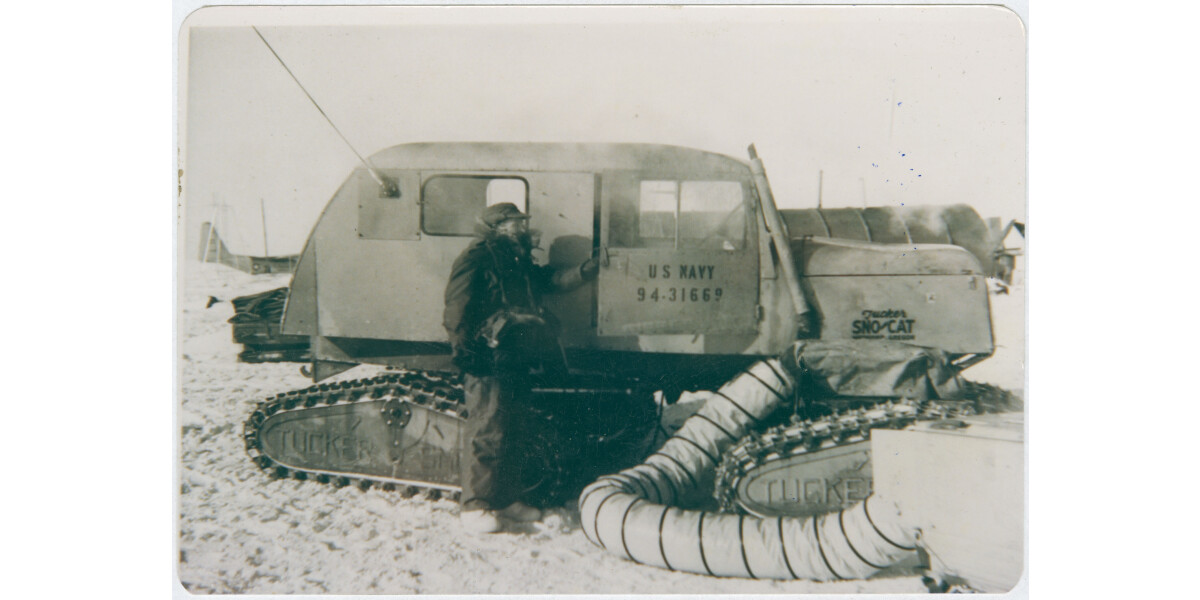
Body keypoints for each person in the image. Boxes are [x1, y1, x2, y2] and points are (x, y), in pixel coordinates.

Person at [443, 202, 598, 534]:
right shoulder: (477, 259)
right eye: (516, 223)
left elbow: (548, 281)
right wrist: (466, 355)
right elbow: (457, 310)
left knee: (514, 428)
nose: (523, 228)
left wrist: (583, 272)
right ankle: (477, 506)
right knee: (488, 430)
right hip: (488, 358)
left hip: (516, 355)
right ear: (498, 227)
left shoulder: (516, 259)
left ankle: (508, 501)